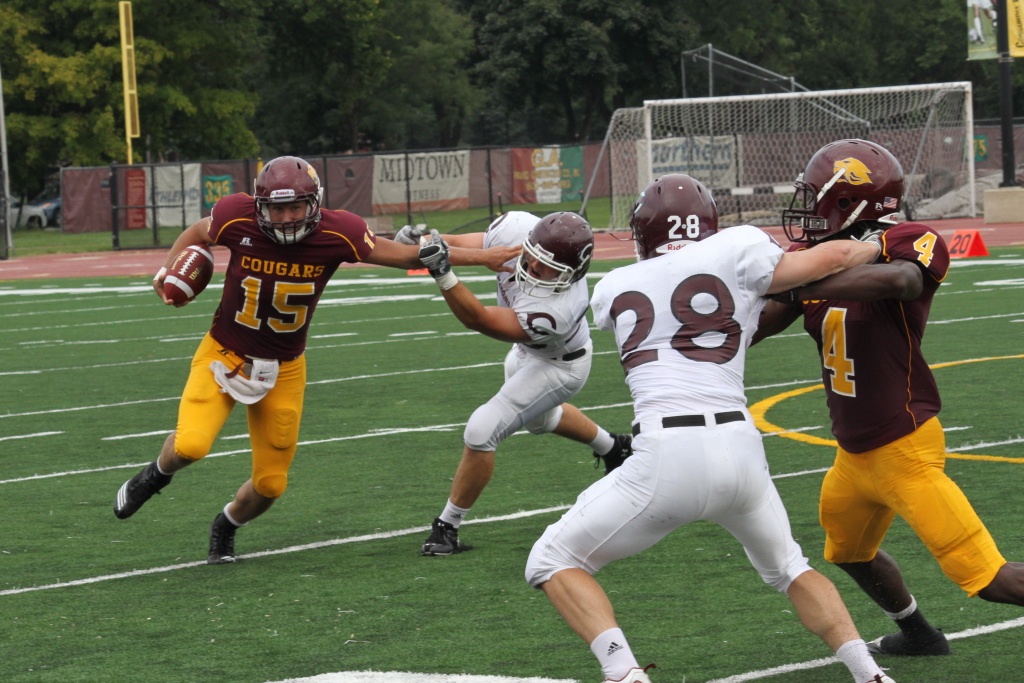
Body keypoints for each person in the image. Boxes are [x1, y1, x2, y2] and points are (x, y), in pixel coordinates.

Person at [522, 174, 894, 683]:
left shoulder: (612, 287)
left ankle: (624, 673)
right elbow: (829, 261)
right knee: (790, 568)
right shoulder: (739, 246)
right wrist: (878, 241)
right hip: (741, 450)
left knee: (551, 558)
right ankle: (869, 674)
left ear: (644, 231)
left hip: (666, 454)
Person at [113, 155, 519, 564]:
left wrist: (481, 257)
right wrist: (168, 272)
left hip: (284, 367)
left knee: (271, 485)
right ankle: (154, 476)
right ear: (259, 205)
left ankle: (227, 523)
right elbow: (198, 232)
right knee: (191, 445)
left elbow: (411, 256)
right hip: (225, 352)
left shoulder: (339, 232)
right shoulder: (235, 216)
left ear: (315, 203)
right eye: (277, 207)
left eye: (295, 207)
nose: (287, 217)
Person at [752, 138, 1024, 657]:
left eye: (815, 197)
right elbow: (762, 324)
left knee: (989, 579)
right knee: (849, 552)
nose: (807, 209)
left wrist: (805, 279)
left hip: (906, 448)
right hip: (853, 455)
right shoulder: (815, 259)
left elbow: (901, 280)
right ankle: (920, 634)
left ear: (849, 201)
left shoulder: (907, 239)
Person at [408, 211, 633, 556]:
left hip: (559, 365)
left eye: (549, 269)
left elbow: (479, 320)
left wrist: (441, 270)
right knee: (541, 420)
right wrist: (429, 243)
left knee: (482, 430)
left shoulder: (557, 308)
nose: (534, 269)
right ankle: (615, 447)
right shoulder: (517, 229)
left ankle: (446, 527)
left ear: (571, 275)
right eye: (533, 258)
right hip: (527, 351)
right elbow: (479, 246)